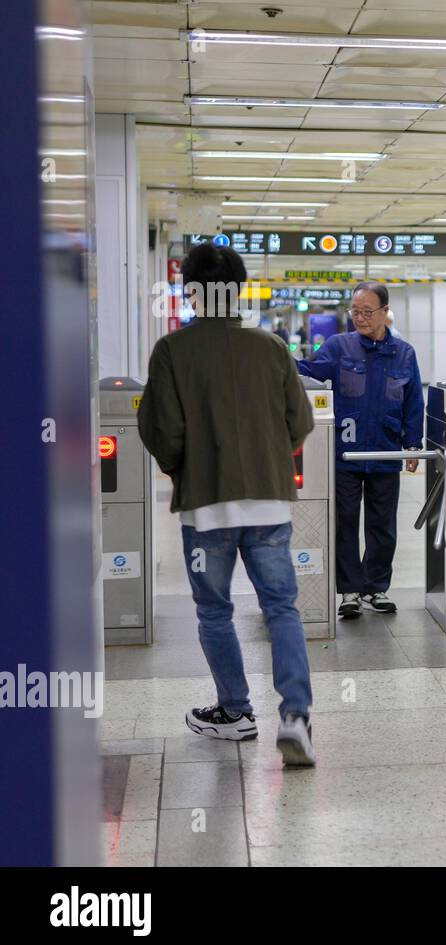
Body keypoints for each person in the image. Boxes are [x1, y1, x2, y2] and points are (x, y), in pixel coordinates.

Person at [137, 242, 317, 766]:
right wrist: (266, 456)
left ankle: (235, 711)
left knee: (215, 610)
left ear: (191, 292)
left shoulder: (173, 351)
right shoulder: (272, 347)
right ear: (237, 290)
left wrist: (183, 467)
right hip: (270, 506)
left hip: (208, 506)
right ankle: (296, 717)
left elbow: (163, 432)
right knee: (281, 607)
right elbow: (299, 421)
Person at [297, 281, 424, 619]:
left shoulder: (404, 353)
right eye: (355, 311)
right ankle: (349, 591)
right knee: (346, 522)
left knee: (382, 525)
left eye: (368, 312)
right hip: (346, 455)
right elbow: (308, 370)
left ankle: (376, 588)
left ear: (385, 312)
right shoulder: (339, 347)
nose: (360, 318)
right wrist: (277, 360)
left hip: (384, 453)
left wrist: (413, 444)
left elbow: (414, 402)